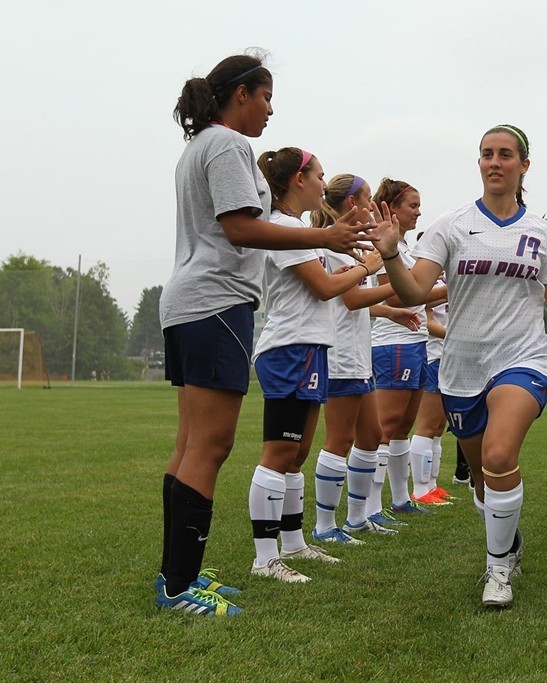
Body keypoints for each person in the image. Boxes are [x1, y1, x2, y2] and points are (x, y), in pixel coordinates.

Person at [371, 124, 547, 608]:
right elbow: (414, 293)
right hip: (462, 366)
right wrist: (390, 255)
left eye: (506, 154)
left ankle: (497, 570)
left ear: (524, 165)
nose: (495, 162)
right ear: (479, 162)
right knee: (484, 480)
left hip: (522, 358)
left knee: (500, 454)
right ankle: (507, 541)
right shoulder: (451, 225)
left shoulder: (541, 231)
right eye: (487, 154)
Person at [156, 53, 370, 615]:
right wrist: (324, 241)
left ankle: (176, 578)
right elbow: (241, 228)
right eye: (267, 97)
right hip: (217, 304)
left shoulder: (198, 147)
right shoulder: (227, 144)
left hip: (190, 305)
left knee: (187, 446)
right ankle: (180, 588)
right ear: (242, 94)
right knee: (212, 445)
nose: (271, 110)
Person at [247, 149, 384, 584]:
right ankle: (264, 558)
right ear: (297, 180)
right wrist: (367, 267)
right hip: (289, 348)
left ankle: (293, 544)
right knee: (279, 452)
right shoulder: (285, 227)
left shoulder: (298, 229)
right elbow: (326, 288)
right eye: (319, 176)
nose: (324, 185)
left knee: (299, 452)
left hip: (309, 347)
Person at [309, 173, 422, 541]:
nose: (371, 207)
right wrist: (401, 284)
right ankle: (326, 526)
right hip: (340, 353)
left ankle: (359, 518)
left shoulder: (352, 248)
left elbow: (358, 306)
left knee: (371, 436)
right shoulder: (331, 248)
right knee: (339, 441)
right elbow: (351, 299)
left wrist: (391, 311)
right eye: (366, 200)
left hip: (358, 353)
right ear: (351, 205)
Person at [368, 179, 447, 520]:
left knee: (403, 428)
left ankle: (401, 500)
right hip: (392, 342)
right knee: (384, 429)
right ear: (392, 208)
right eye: (412, 205)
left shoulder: (407, 250)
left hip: (413, 343)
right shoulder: (385, 248)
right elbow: (397, 297)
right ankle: (370, 508)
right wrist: (448, 290)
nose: (418, 211)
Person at [409, 275, 454, 504]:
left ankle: (432, 485)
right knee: (427, 426)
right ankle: (419, 490)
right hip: (434, 357)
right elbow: (426, 322)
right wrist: (455, 336)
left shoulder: (449, 279)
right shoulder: (428, 284)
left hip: (449, 358)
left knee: (438, 428)